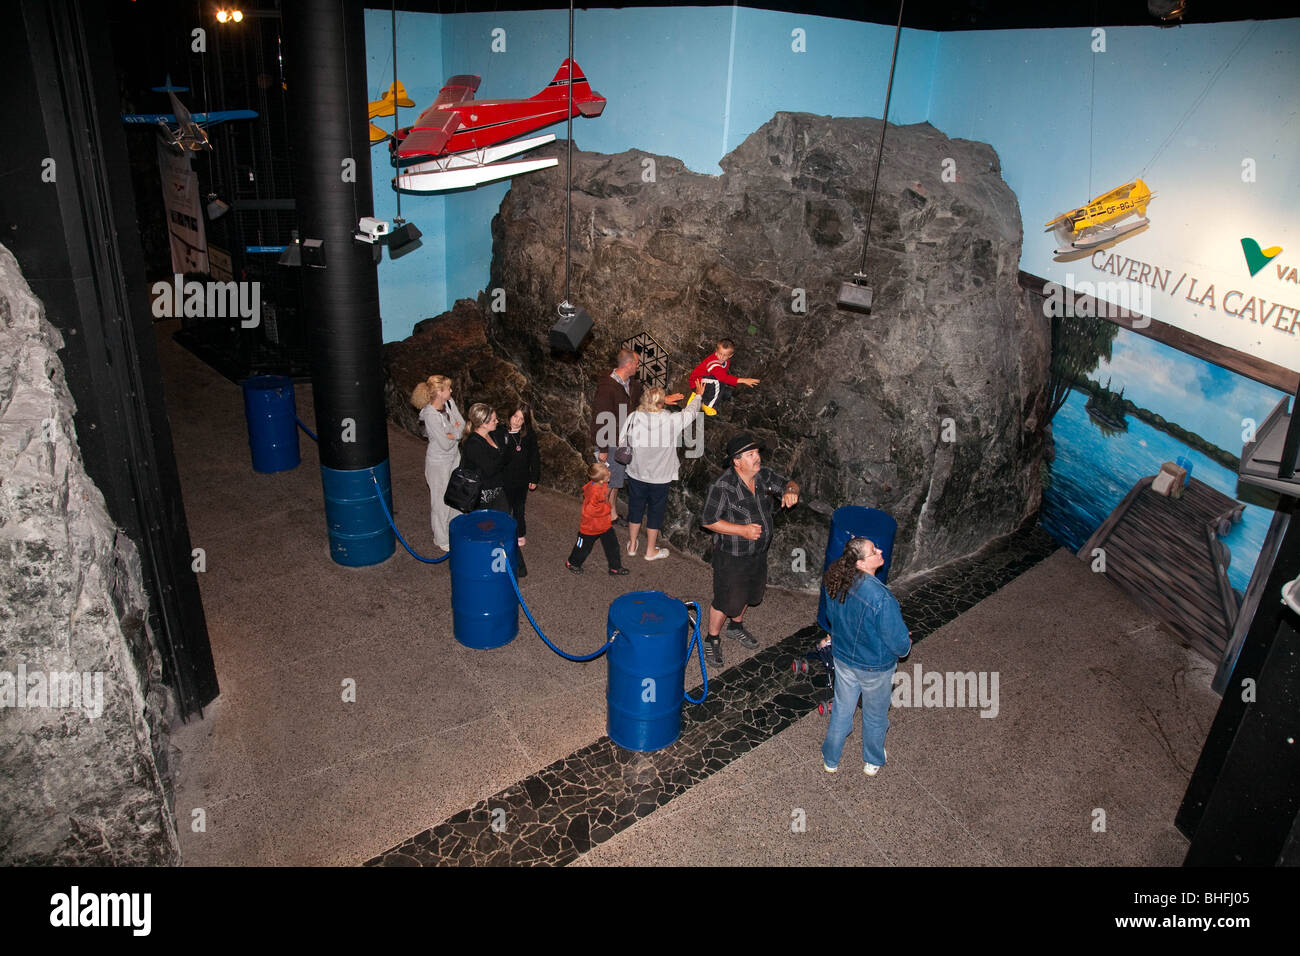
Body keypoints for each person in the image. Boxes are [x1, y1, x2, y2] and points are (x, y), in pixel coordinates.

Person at [699, 431, 799, 668]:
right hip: (731, 556)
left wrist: (791, 491)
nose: (757, 458)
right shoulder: (723, 486)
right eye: (751, 454)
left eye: (757, 453)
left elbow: (789, 483)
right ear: (737, 461)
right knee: (726, 600)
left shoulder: (763, 476)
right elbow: (707, 520)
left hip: (758, 553)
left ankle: (736, 626)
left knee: (751, 593)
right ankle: (712, 638)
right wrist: (742, 531)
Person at [819, 537, 911, 776]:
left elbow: (832, 618)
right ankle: (872, 760)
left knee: (842, 709)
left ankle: (831, 759)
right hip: (874, 667)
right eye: (873, 551)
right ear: (860, 563)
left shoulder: (835, 581)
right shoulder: (881, 598)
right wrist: (906, 643)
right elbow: (899, 644)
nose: (880, 551)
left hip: (843, 659)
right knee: (875, 715)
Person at [621, 382, 703, 561]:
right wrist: (698, 396)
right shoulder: (670, 420)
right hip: (661, 476)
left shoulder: (634, 417)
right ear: (661, 403)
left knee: (635, 507)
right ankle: (650, 550)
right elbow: (690, 413)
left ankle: (632, 545)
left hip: (636, 472)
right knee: (656, 512)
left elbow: (622, 439)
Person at [411, 375, 465, 551]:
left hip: (454, 458)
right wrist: (454, 433)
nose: (451, 391)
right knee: (440, 501)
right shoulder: (430, 415)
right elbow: (444, 442)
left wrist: (453, 433)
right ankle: (441, 538)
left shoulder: (450, 403)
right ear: (439, 392)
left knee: (456, 494)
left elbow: (462, 424)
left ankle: (454, 529)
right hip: (438, 463)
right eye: (448, 388)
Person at [590, 348, 643, 522]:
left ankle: (611, 514)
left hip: (621, 441)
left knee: (616, 481)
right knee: (607, 483)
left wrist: (662, 400)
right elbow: (600, 418)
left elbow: (642, 398)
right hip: (609, 441)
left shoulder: (630, 384)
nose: (638, 366)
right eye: (637, 363)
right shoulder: (608, 387)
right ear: (628, 364)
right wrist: (603, 448)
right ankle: (601, 517)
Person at [565, 462, 630, 576]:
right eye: (607, 474)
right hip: (590, 528)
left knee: (613, 545)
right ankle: (572, 563)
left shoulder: (602, 484)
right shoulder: (594, 491)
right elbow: (590, 510)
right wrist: (607, 508)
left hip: (604, 525)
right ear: (600, 480)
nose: (609, 473)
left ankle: (615, 567)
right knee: (583, 547)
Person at [495, 401, 540, 547]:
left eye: (521, 419)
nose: (517, 421)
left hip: (522, 478)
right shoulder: (500, 432)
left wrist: (534, 477)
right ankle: (502, 531)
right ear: (510, 415)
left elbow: (535, 456)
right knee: (503, 507)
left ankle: (520, 532)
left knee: (519, 507)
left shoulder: (529, 435)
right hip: (504, 478)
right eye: (515, 417)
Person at [687, 338, 759, 417]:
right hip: (696, 383)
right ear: (716, 351)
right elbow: (723, 378)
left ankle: (698, 395)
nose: (721, 357)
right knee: (718, 382)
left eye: (725, 355)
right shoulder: (713, 363)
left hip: (704, 380)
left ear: (730, 355)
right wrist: (744, 380)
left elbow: (722, 375)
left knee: (720, 383)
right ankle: (707, 405)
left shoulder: (725, 361)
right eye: (719, 353)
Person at [459, 403, 510, 513]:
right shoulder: (473, 444)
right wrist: (506, 455)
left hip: (496, 491)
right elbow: (489, 469)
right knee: (486, 527)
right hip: (481, 497)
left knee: (503, 520)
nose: (497, 421)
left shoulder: (491, 434)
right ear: (483, 424)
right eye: (494, 420)